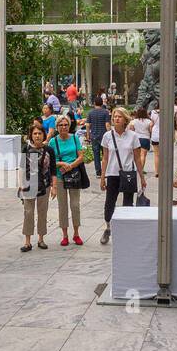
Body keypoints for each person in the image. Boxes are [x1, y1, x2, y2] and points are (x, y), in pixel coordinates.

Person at [99, 106, 139, 245]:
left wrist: (142, 177)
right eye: (115, 116)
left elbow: (137, 158)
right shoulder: (107, 136)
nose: (116, 118)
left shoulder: (133, 136)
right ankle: (108, 227)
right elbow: (105, 158)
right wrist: (102, 177)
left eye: (119, 116)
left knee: (128, 202)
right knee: (110, 202)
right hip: (112, 173)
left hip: (128, 173)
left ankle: (125, 229)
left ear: (125, 119)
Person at [48, 114, 84, 247]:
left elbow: (81, 156)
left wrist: (71, 165)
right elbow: (51, 162)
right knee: (62, 206)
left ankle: (76, 233)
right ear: (57, 127)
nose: (63, 127)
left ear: (69, 126)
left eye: (66, 125)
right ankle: (64, 235)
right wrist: (62, 164)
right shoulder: (53, 142)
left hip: (74, 175)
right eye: (61, 125)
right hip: (60, 176)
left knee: (75, 205)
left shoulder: (75, 138)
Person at [18, 122, 54, 252]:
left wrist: (53, 186)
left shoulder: (49, 150)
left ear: (44, 135)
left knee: (42, 212)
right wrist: (21, 184)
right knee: (28, 212)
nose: (37, 136)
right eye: (35, 133)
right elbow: (21, 167)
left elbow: (53, 170)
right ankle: (27, 241)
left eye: (39, 133)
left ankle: (41, 239)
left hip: (44, 184)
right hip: (28, 184)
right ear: (31, 135)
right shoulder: (25, 149)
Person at [86, 95, 111, 178]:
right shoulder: (105, 112)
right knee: (105, 155)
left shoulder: (90, 113)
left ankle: (98, 173)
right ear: (102, 103)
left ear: (94, 103)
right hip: (104, 136)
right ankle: (106, 171)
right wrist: (110, 134)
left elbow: (88, 125)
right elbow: (107, 124)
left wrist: (88, 135)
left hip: (94, 136)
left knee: (96, 155)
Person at [130, 106, 152, 175]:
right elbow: (150, 130)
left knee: (136, 156)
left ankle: (135, 168)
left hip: (136, 139)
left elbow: (131, 129)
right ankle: (141, 170)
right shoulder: (149, 121)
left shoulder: (133, 121)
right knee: (143, 155)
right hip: (145, 139)